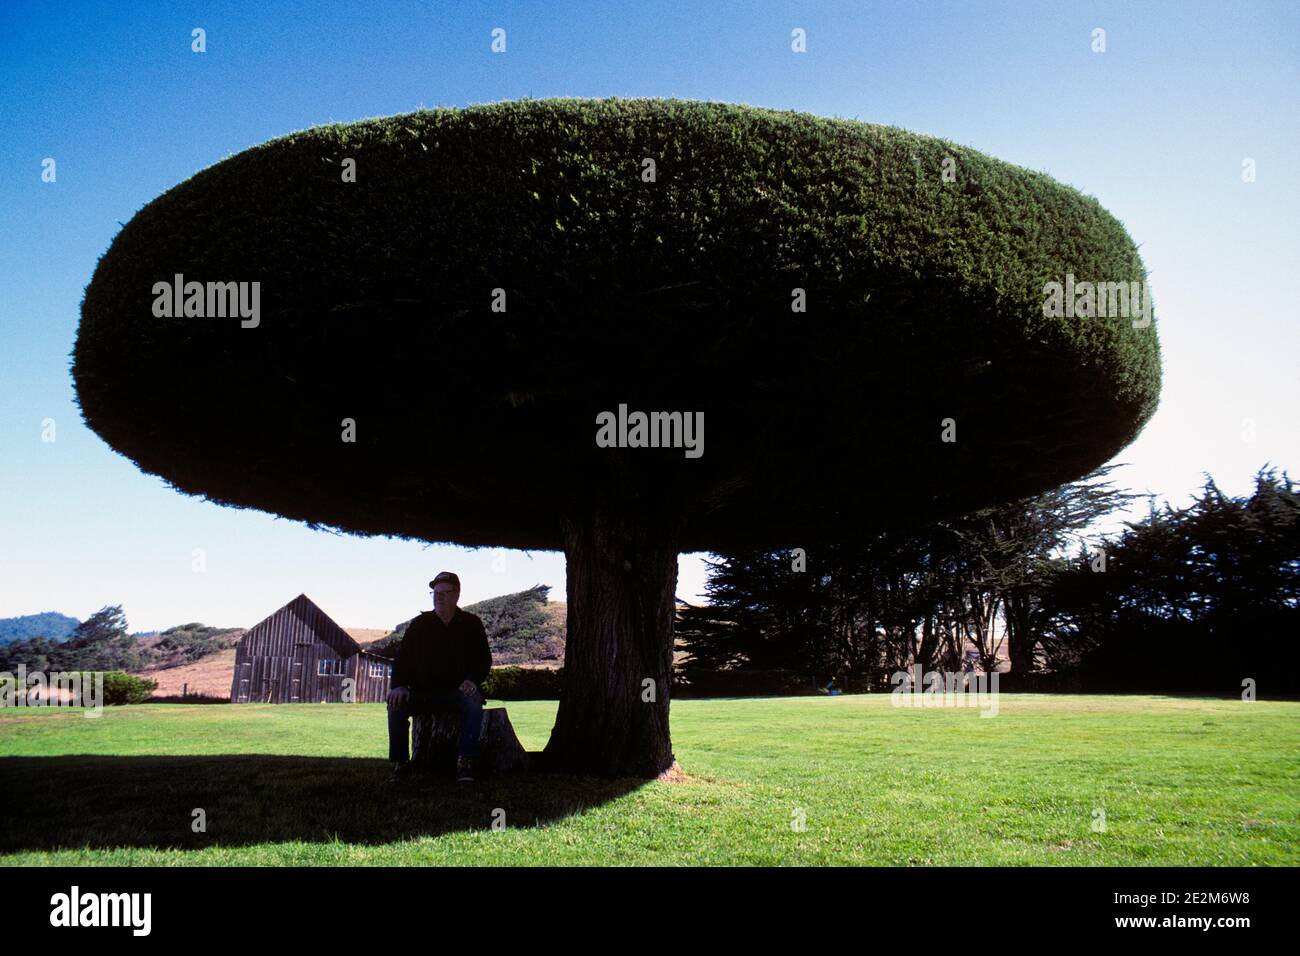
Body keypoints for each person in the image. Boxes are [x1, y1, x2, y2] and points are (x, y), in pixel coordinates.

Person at [385, 571, 492, 783]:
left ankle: (465, 762)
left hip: (456, 693)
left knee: (473, 701)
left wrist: (472, 680)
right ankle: (400, 765)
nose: (438, 597)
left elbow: (483, 660)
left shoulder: (471, 624)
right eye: (435, 593)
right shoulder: (419, 625)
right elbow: (402, 659)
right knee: (395, 704)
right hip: (421, 693)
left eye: (444, 592)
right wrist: (398, 686)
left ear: (457, 595)